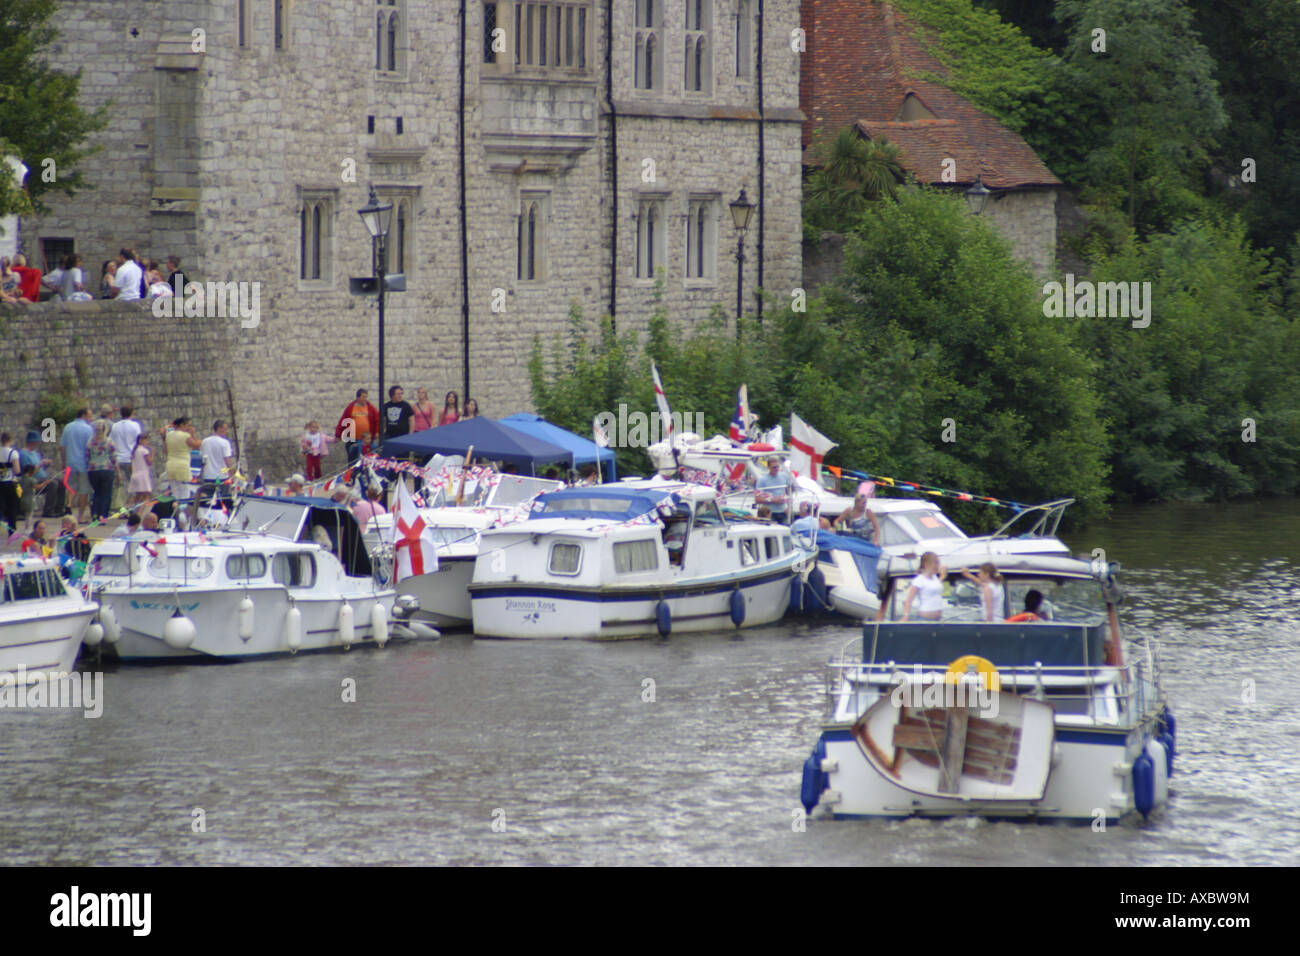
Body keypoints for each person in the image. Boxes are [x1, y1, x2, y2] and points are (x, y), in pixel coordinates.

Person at [60, 408, 94, 524]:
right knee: (84, 490)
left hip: (70, 462)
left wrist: (63, 462)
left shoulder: (68, 427)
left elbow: (62, 446)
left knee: (71, 487)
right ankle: (80, 516)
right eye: (89, 415)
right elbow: (90, 447)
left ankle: (69, 505)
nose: (91, 418)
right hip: (84, 463)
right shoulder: (89, 429)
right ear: (84, 414)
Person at [162, 417, 201, 506]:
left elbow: (165, 450)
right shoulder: (185, 436)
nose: (190, 428)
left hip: (170, 465)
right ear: (182, 425)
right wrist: (193, 434)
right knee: (185, 493)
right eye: (188, 425)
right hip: (182, 466)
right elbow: (197, 445)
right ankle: (182, 513)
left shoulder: (169, 435)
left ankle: (175, 512)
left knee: (175, 493)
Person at [335, 389, 379, 467]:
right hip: (353, 439)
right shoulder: (351, 408)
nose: (365, 399)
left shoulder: (370, 408)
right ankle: (351, 476)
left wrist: (376, 432)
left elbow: (377, 420)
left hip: (366, 440)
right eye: (363, 397)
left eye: (366, 397)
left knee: (367, 459)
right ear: (358, 398)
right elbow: (343, 420)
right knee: (352, 459)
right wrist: (338, 434)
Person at [86, 418, 117, 521]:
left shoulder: (90, 441)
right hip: (106, 469)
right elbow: (113, 457)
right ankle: (103, 515)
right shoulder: (109, 441)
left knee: (96, 493)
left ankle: (95, 514)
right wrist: (118, 471)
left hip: (93, 469)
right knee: (106, 494)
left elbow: (87, 456)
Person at [901, 551, 946, 622]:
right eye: (936, 563)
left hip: (938, 620)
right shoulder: (919, 580)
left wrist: (942, 576)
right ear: (926, 564)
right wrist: (906, 616)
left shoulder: (935, 578)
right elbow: (909, 600)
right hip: (925, 619)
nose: (938, 565)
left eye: (938, 563)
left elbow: (933, 586)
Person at [755, 457, 794, 525]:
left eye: (777, 467)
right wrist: (773, 500)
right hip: (769, 513)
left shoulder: (784, 476)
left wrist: (788, 506)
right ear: (768, 467)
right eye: (774, 467)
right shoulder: (762, 480)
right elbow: (757, 499)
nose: (776, 469)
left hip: (783, 511)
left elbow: (788, 492)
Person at [110, 404, 142, 484]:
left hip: (118, 459)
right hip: (131, 458)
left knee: (118, 485)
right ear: (132, 413)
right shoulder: (135, 425)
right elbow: (139, 440)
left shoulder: (115, 426)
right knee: (134, 485)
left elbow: (110, 442)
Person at [128, 431, 154, 515]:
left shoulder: (135, 450)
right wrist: (152, 453)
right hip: (143, 475)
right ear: (141, 440)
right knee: (146, 495)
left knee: (138, 495)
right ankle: (141, 513)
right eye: (146, 440)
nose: (147, 442)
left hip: (135, 474)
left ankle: (133, 510)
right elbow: (149, 462)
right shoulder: (144, 451)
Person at [199, 420, 234, 484]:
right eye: (225, 429)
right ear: (219, 429)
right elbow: (227, 461)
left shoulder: (204, 441)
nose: (226, 431)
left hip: (207, 476)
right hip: (221, 477)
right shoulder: (225, 443)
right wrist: (232, 474)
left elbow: (203, 460)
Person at [0, 431, 21, 533]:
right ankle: (12, 531)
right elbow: (17, 470)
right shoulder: (13, 453)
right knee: (12, 508)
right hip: (9, 483)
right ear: (10, 440)